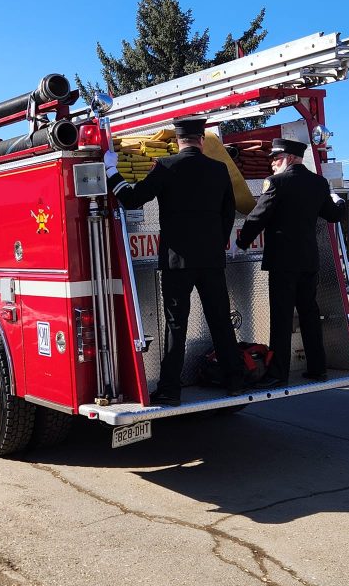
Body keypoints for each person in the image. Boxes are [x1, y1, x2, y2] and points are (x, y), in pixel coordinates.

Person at [104, 116, 245, 405]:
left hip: (177, 262)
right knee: (220, 321)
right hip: (211, 261)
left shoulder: (166, 166)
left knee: (176, 325)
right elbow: (228, 214)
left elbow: (132, 199)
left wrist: (111, 171)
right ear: (201, 141)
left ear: (179, 141)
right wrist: (215, 246)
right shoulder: (219, 170)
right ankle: (235, 381)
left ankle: (170, 389)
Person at [235, 137, 345, 387]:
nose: (272, 163)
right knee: (309, 314)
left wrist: (241, 244)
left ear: (291, 158)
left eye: (276, 158)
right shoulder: (319, 183)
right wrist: (340, 201)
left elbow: (258, 217)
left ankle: (278, 373)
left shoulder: (276, 183)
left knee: (282, 318)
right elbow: (332, 215)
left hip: (282, 262)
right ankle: (318, 368)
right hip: (308, 261)